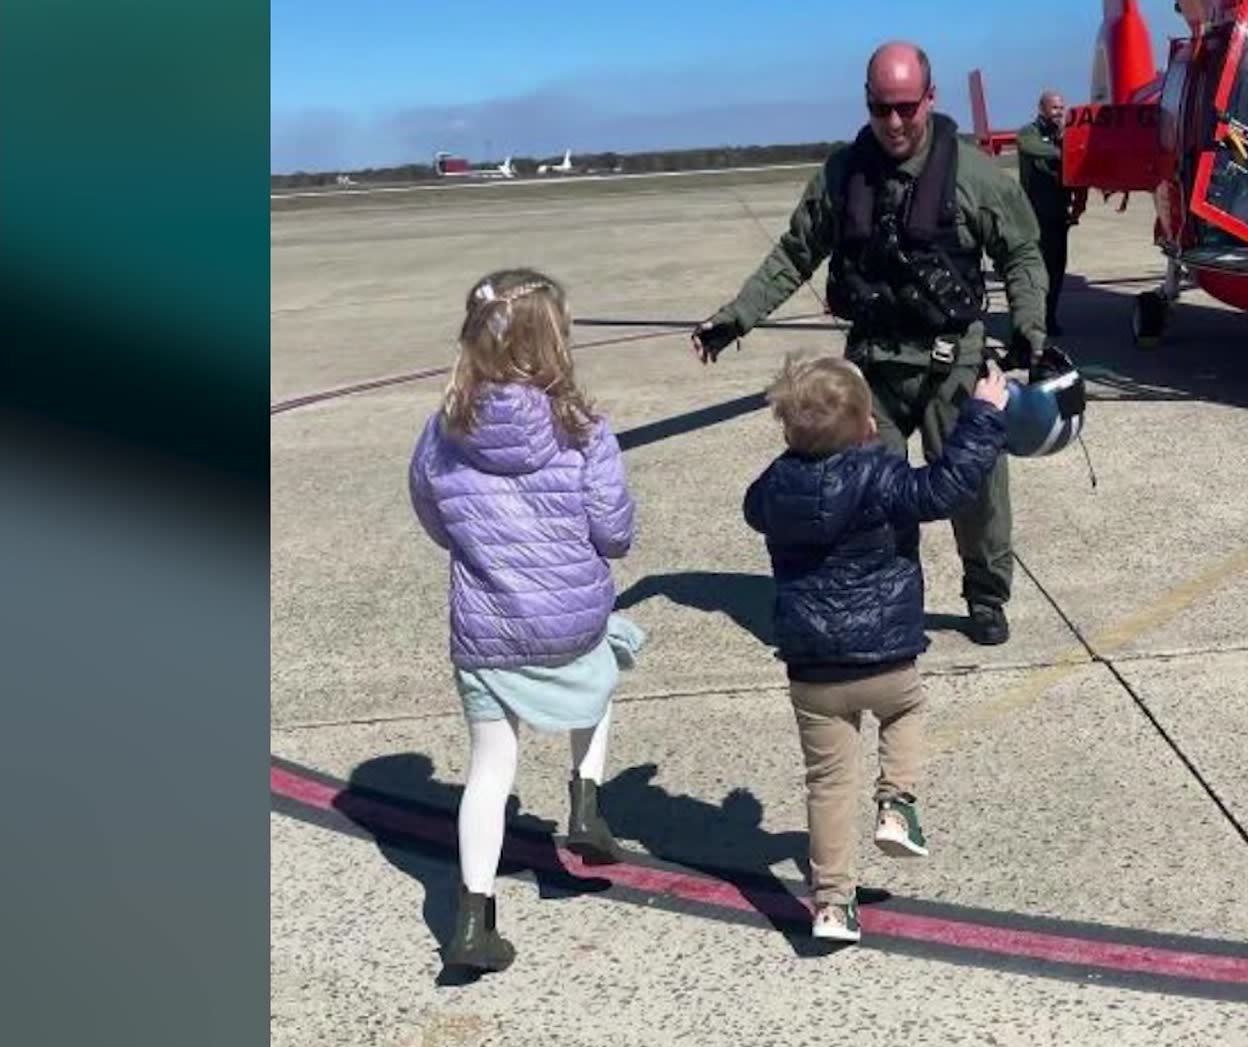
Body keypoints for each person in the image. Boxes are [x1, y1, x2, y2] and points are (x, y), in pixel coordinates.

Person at [693, 40, 1048, 648]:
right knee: (868, 499)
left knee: (979, 491)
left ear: (929, 99)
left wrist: (1029, 326)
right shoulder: (842, 174)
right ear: (867, 102)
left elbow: (1020, 250)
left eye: (906, 108)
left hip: (950, 363)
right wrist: (737, 318)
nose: (893, 123)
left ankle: (986, 594)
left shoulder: (975, 177)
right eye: (881, 108)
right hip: (874, 368)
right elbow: (795, 253)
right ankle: (894, 598)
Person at [408, 268, 642, 975]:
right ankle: (586, 801)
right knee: (603, 670)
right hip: (568, 618)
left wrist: (478, 545)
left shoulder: (444, 430)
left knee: (489, 766)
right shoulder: (582, 427)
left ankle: (473, 915)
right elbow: (614, 531)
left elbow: (432, 513)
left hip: (485, 627)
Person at [743, 354, 1009, 941]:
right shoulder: (882, 476)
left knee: (829, 783)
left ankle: (833, 905)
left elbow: (752, 509)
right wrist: (983, 416)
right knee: (907, 711)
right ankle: (896, 802)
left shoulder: (776, 486)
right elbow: (948, 486)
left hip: (813, 669)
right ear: (868, 426)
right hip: (886, 652)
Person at [1016, 90, 1087, 336]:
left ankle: (1050, 318)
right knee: (1035, 272)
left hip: (1057, 216)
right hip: (1034, 217)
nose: (1060, 112)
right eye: (1055, 108)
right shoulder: (1029, 133)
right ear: (1042, 109)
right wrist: (1067, 152)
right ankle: (1031, 321)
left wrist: (1080, 202)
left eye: (1062, 107)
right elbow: (1031, 147)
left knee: (1056, 270)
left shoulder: (1062, 136)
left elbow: (1077, 175)